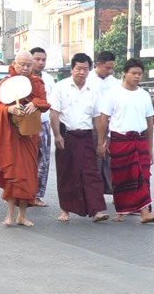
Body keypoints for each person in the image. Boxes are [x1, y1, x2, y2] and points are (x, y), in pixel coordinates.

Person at [0, 50, 50, 227]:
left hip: (29, 135)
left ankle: (22, 216)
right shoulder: (5, 83)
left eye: (28, 65)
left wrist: (35, 103)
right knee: (13, 177)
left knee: (27, 176)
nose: (25, 68)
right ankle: (10, 215)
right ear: (14, 64)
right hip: (12, 136)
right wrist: (9, 109)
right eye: (22, 64)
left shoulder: (37, 83)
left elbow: (44, 102)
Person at [96, 58, 154, 224]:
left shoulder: (144, 95)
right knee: (122, 177)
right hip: (120, 141)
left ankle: (145, 212)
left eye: (140, 74)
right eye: (134, 73)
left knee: (143, 176)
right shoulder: (113, 93)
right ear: (125, 73)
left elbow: (149, 123)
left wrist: (150, 148)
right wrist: (101, 143)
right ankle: (122, 211)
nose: (137, 76)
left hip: (140, 140)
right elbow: (103, 119)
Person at [49, 53, 109, 223]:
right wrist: (57, 135)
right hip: (67, 136)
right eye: (78, 69)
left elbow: (97, 118)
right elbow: (54, 113)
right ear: (72, 69)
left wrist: (100, 142)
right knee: (67, 174)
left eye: (85, 69)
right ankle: (65, 210)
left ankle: (96, 210)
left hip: (87, 136)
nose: (82, 72)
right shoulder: (61, 87)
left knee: (91, 173)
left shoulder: (94, 90)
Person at [86, 50, 120, 195]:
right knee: (94, 160)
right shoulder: (87, 80)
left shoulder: (116, 83)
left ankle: (114, 193)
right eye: (107, 68)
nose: (110, 71)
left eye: (112, 68)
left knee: (111, 160)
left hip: (111, 126)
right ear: (98, 64)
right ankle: (94, 193)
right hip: (91, 125)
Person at [29, 47, 56, 207]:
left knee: (43, 160)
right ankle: (23, 194)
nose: (40, 62)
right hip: (25, 124)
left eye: (43, 60)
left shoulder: (48, 79)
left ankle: (37, 195)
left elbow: (52, 104)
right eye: (37, 59)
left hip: (43, 123)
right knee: (26, 160)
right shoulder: (22, 78)